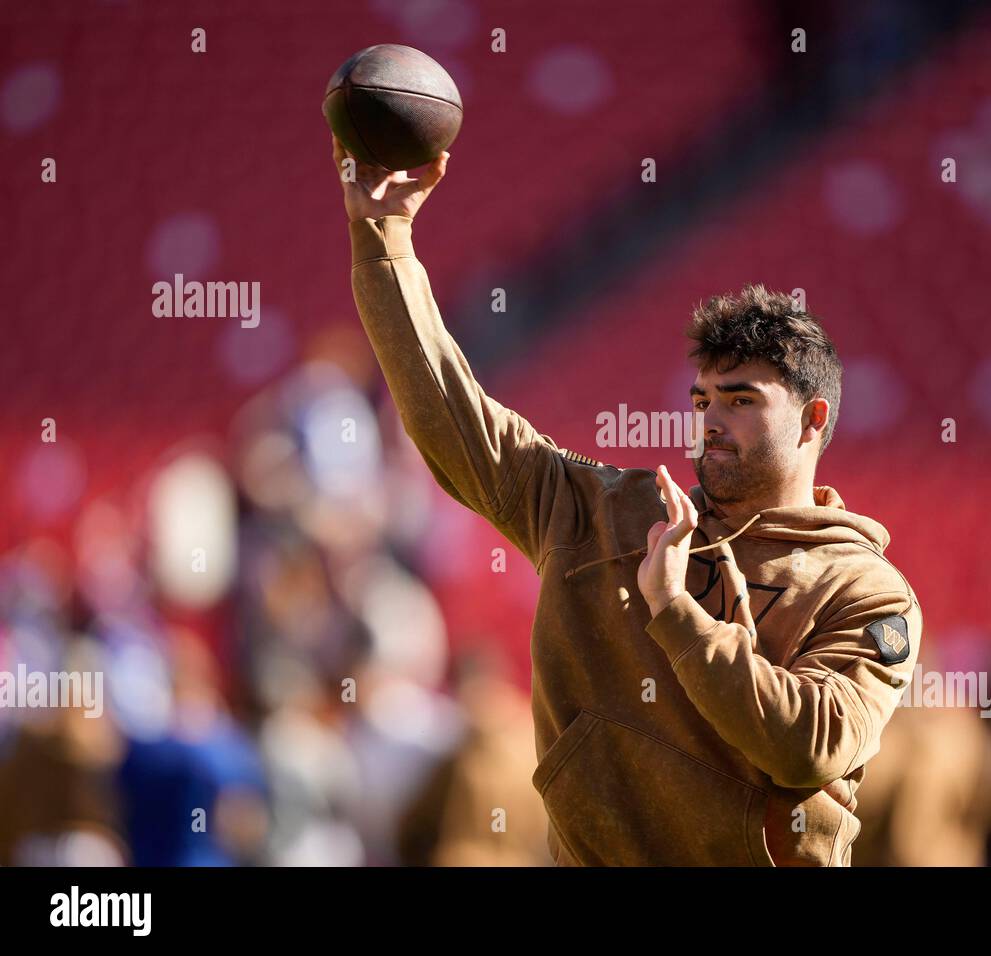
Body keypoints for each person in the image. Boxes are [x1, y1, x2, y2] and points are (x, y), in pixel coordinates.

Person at [331, 137, 923, 866]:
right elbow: (453, 417)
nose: (712, 419)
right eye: (704, 398)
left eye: (742, 400)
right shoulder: (607, 509)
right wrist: (384, 239)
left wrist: (677, 617)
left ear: (813, 420)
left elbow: (811, 747)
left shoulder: (866, 592)